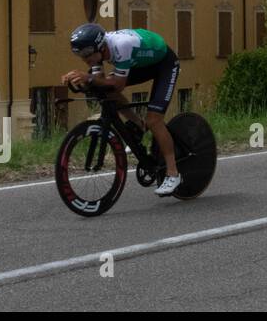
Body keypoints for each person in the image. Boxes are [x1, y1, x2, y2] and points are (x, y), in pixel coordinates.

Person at [63, 23, 183, 196]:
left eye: (86, 54)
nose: (84, 59)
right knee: (106, 91)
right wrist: (81, 81)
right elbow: (98, 81)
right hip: (143, 64)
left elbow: (118, 86)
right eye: (80, 54)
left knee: (154, 119)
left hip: (165, 64)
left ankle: (173, 173)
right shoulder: (98, 53)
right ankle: (138, 126)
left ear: (99, 46)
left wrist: (88, 77)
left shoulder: (121, 45)